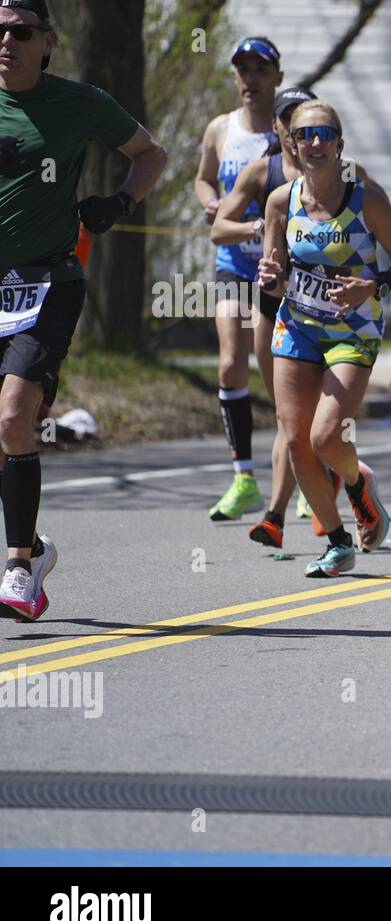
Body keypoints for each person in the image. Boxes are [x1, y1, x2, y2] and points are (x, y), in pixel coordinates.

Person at [0, 0, 166, 618]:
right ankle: (37, 547)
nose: (5, 41)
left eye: (19, 32)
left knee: (17, 415)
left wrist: (120, 203)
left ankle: (19, 565)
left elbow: (152, 155)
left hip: (45, 283)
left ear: (48, 42)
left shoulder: (81, 103)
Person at [257, 99, 391, 577]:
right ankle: (339, 542)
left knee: (326, 437)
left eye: (325, 134)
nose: (315, 142)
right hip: (298, 325)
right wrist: (271, 277)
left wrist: (374, 284)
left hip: (354, 328)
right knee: (296, 438)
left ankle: (356, 482)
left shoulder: (366, 199)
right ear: (292, 144)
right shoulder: (281, 201)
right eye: (305, 134)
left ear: (340, 145)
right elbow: (274, 273)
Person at [211, 84, 347, 549]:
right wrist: (262, 234)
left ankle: (314, 488)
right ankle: (278, 510)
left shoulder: (349, 180)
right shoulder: (264, 177)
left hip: (338, 314)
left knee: (312, 425)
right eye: (290, 120)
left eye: (311, 124)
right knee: (290, 419)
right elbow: (218, 229)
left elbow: (386, 244)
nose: (301, 131)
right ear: (279, 127)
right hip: (280, 304)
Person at [195, 36, 282, 521]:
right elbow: (202, 177)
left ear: (277, 78)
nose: (250, 79)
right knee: (230, 364)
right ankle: (244, 478)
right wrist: (209, 200)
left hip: (278, 267)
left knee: (277, 374)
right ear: (234, 78)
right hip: (232, 261)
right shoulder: (220, 129)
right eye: (243, 70)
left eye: (260, 69)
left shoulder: (291, 129)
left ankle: (302, 474)